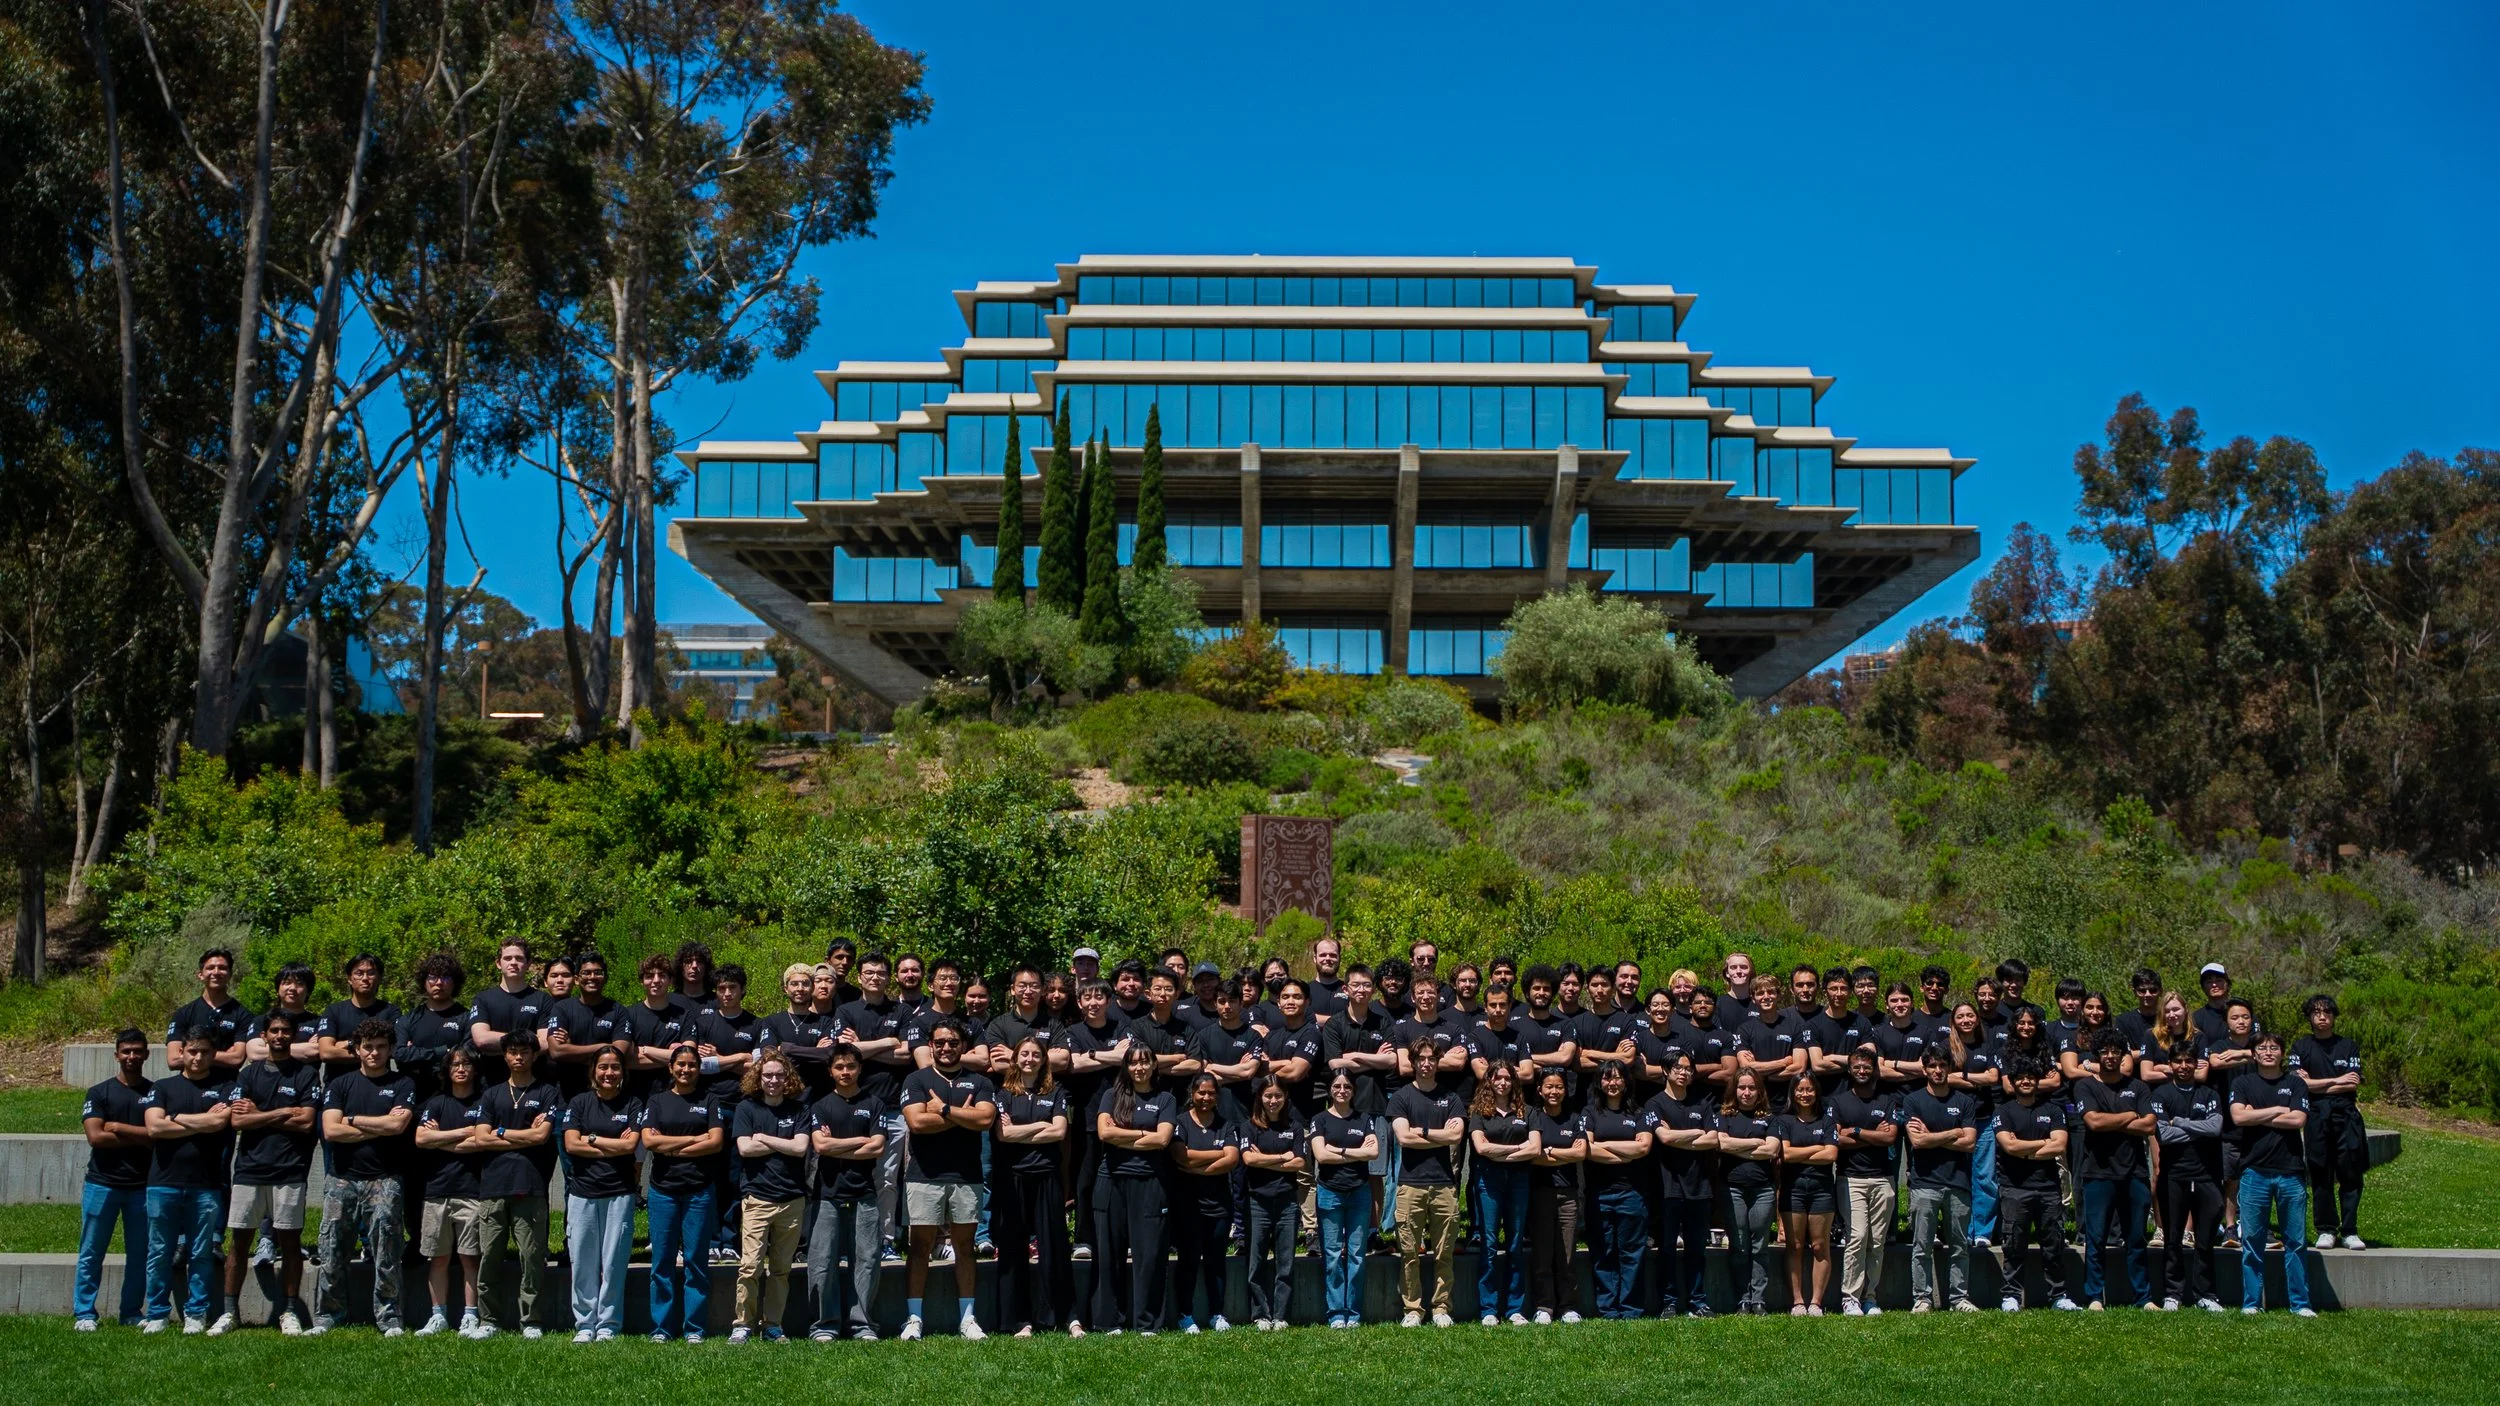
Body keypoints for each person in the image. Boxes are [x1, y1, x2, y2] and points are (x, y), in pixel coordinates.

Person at [214, 1009, 317, 1335]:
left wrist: (261, 1113)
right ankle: (230, 1312)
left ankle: (288, 1312)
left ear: (293, 1035)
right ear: (264, 1035)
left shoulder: (306, 1075)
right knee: (239, 1242)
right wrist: (284, 1111)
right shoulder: (249, 1074)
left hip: (289, 1169)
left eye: (286, 1031)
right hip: (250, 1169)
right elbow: (238, 1121)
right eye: (274, 1031)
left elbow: (306, 1122)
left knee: (289, 1242)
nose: (279, 1036)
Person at [312, 1019, 415, 1336]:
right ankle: (328, 1314)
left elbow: (397, 1128)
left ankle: (389, 1317)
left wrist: (353, 1120)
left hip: (385, 1178)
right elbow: (331, 1130)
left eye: (381, 1046)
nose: (374, 1052)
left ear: (392, 1049)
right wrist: (378, 1125)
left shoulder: (403, 1084)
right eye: (368, 1046)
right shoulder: (340, 1085)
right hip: (341, 1178)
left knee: (387, 1250)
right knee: (331, 1249)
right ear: (357, 1049)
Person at [898, 1018, 995, 1340]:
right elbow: (916, 1123)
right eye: (939, 1042)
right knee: (919, 1247)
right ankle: (914, 1318)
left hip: (966, 1176)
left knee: (965, 1246)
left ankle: (967, 1319)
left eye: (953, 1042)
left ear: (963, 1046)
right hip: (924, 1175)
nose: (946, 1048)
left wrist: (943, 1110)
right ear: (931, 1045)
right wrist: (959, 1116)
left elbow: (984, 1119)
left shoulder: (979, 1081)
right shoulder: (916, 1079)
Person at [140, 1027, 234, 1335]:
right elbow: (154, 1128)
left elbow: (220, 1122)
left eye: (204, 1052)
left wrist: (176, 1119)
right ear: (181, 1054)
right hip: (163, 1183)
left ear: (213, 1054)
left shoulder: (225, 1087)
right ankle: (156, 1313)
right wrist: (199, 1122)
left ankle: (196, 1313)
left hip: (205, 1185)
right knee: (159, 1251)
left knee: (201, 1253)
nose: (197, 1057)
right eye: (192, 1051)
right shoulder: (162, 1087)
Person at [988, 1035, 1077, 1337]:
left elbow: (1060, 1132)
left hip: (1047, 1176)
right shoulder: (1001, 1094)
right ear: (1015, 1059)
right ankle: (1019, 1320)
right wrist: (1042, 1126)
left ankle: (1063, 1316)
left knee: (1055, 1247)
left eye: (1035, 1055)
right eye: (1023, 1054)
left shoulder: (1057, 1091)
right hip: (1013, 1178)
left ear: (1043, 1060)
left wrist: (1023, 1131)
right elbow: (1003, 1135)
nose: (1029, 1059)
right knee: (1014, 1250)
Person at [473, 1035, 560, 1338]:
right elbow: (480, 1138)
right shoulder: (492, 1094)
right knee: (489, 1257)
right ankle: (488, 1320)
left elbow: (541, 1137)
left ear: (535, 1055)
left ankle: (531, 1321)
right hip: (493, 1186)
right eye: (512, 1052)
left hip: (531, 1185)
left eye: (524, 1052)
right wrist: (515, 1133)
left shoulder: (548, 1093)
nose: (518, 1057)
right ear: (505, 1057)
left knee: (531, 1257)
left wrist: (499, 1134)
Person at [641, 1044, 726, 1342]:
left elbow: (715, 1142)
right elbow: (649, 1141)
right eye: (681, 1064)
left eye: (692, 1065)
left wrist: (672, 1146)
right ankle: (662, 1328)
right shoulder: (657, 1101)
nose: (686, 1070)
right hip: (663, 1191)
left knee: (696, 1262)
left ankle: (695, 1328)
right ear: (671, 1068)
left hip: (699, 1192)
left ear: (699, 1069)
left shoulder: (710, 1100)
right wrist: (693, 1139)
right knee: (661, 1262)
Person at [2229, 1031, 2316, 1316]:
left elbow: (2298, 1120)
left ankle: (2300, 1304)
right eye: (2262, 1048)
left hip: (2290, 1172)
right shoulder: (2242, 1082)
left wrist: (2261, 1113)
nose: (2268, 1052)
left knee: (2296, 1241)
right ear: (2253, 1054)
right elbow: (2239, 1117)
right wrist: (2280, 1109)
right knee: (2252, 1241)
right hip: (2254, 1171)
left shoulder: (2295, 1084)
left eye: (2274, 1047)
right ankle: (2252, 1303)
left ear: (2282, 1053)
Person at [1092, 1044, 1177, 1334]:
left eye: (1145, 1062)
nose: (1139, 1068)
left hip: (1151, 1181)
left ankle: (1147, 1323)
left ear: (1154, 1066)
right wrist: (1144, 1134)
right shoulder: (1111, 1096)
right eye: (1133, 1063)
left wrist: (1123, 1137)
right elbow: (1105, 1133)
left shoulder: (1165, 1099)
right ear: (1126, 1067)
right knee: (1109, 1253)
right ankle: (1109, 1321)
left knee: (1150, 1254)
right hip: (1111, 1180)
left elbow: (1163, 1139)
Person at [559, 1047, 641, 1341]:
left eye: (615, 1067)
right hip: (583, 1193)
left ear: (623, 1072)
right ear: (593, 1071)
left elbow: (630, 1146)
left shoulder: (632, 1103)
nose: (609, 1073)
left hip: (619, 1192)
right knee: (582, 1260)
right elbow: (571, 1144)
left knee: (613, 1262)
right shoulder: (579, 1103)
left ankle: (608, 1324)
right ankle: (584, 1324)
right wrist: (609, 1144)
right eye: (603, 1067)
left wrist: (590, 1138)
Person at [730, 1049, 812, 1342]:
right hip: (757, 1198)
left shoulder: (800, 1110)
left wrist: (763, 1137)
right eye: (767, 1075)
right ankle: (742, 1324)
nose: (773, 1080)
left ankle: (772, 1325)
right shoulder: (747, 1109)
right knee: (750, 1265)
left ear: (787, 1077)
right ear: (758, 1077)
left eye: (779, 1075)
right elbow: (744, 1149)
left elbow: (801, 1149)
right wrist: (784, 1143)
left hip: (791, 1199)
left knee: (780, 1269)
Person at [75, 1029, 154, 1332]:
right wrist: (141, 1136)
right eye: (126, 1051)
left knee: (140, 1254)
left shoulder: (155, 1092)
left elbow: (157, 1137)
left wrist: (120, 1129)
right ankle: (84, 1313)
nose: (132, 1056)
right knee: (92, 1251)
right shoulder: (99, 1092)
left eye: (137, 1051)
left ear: (147, 1054)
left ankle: (131, 1312)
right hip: (101, 1184)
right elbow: (95, 1137)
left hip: (142, 1186)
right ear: (116, 1055)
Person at [807, 1047, 888, 1343]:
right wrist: (858, 1141)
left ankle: (862, 1324)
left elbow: (878, 1148)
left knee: (866, 1260)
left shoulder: (874, 1104)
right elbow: (820, 1147)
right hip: (826, 1193)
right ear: (830, 1071)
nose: (845, 1072)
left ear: (859, 1069)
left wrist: (837, 1145)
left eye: (850, 1066)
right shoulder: (820, 1106)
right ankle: (824, 1325)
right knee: (822, 1261)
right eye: (839, 1066)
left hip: (864, 1193)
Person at [412, 1045, 491, 1339]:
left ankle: (470, 1315)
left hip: (472, 1190)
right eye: (455, 1064)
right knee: (439, 1256)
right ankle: (438, 1315)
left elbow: (482, 1141)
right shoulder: (436, 1103)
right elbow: (421, 1139)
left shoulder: (485, 1102)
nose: (460, 1069)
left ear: (474, 1069)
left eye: (466, 1064)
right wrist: (462, 1133)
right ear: (446, 1070)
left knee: (470, 1256)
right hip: (437, 1190)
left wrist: (440, 1138)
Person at [2074, 1029, 2155, 1309]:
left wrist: (2114, 1121)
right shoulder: (2085, 1087)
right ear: (2097, 1055)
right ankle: (2095, 1296)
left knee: (2136, 1238)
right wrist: (2130, 1115)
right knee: (2095, 1239)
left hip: (2135, 1174)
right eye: (2104, 1051)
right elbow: (2093, 1122)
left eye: (2115, 1051)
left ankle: (2142, 1298)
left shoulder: (2139, 1087)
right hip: (2098, 1172)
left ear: (2123, 1055)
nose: (2110, 1056)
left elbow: (2150, 1125)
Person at [1388, 1035, 1466, 1327]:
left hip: (1445, 1185)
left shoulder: (1452, 1098)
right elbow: (1404, 1138)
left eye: (1431, 1058)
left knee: (1444, 1251)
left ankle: (1442, 1307)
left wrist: (1420, 1132)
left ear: (1437, 1061)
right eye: (1420, 1059)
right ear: (1413, 1062)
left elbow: (1456, 1136)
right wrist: (1436, 1133)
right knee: (1409, 1251)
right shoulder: (1401, 1097)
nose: (1426, 1064)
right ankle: (1413, 1309)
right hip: (1410, 1185)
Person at [1994, 1055, 2078, 1311]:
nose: (2026, 1081)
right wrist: (2043, 1144)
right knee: (2013, 1245)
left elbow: (2060, 1145)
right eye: (2021, 1078)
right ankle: (2010, 1295)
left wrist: (2025, 1150)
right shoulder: (2004, 1111)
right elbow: (2008, 1146)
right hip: (2014, 1187)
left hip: (2048, 1189)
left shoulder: (2052, 1110)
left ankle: (2058, 1296)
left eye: (2030, 1077)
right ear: (2014, 1082)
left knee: (2053, 1245)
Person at [1319, 966, 1397, 1239]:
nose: (1361, 989)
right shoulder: (1335, 1025)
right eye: (1356, 985)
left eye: (1366, 985)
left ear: (1373, 989)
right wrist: (1371, 1058)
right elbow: (1334, 1064)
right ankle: (1342, 1231)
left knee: (1375, 1173)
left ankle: (1373, 1232)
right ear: (1346, 989)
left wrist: (1353, 1056)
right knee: (1342, 1167)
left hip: (1375, 1106)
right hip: (1342, 1111)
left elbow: (1391, 1061)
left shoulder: (1382, 1022)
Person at [1900, 1045, 1980, 1312]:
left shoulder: (1964, 1101)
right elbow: (1918, 1142)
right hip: (1924, 1184)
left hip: (1958, 1183)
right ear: (1924, 1069)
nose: (1937, 1070)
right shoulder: (1913, 1101)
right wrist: (1952, 1133)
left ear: (1949, 1068)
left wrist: (1933, 1135)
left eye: (1942, 1065)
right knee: (1921, 1245)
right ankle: (1922, 1298)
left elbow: (1970, 1144)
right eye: (1932, 1066)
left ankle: (1959, 1298)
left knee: (1960, 1246)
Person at [2150, 1049, 2227, 1311]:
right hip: (2174, 1175)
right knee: (2172, 1238)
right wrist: (2198, 1130)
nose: (2183, 1066)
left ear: (2196, 1064)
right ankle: (2172, 1292)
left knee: (2204, 1239)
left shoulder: (2209, 1094)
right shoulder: (2160, 1095)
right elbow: (2163, 1135)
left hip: (2207, 1175)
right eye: (2178, 1061)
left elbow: (2215, 1128)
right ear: (2170, 1065)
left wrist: (2181, 1123)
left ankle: (2205, 1294)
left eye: (2189, 1061)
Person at [1467, 1061, 1540, 1326]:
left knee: (1515, 1243)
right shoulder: (1478, 1113)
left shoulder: (1528, 1111)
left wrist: (1502, 1152)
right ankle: (1488, 1308)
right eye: (1497, 1078)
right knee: (1488, 1244)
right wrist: (1517, 1149)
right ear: (1489, 1081)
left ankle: (1514, 1308)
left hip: (1519, 1181)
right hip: (1489, 1181)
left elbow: (1535, 1149)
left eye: (1507, 1078)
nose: (1502, 1083)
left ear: (1514, 1082)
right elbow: (1481, 1148)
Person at [2292, 994, 2367, 1250]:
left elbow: (2353, 1082)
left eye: (2326, 1012)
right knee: (2320, 1173)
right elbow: (2300, 1086)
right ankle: (2326, 1229)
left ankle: (2349, 1230)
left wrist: (2316, 1083)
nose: (2321, 1017)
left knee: (2351, 1174)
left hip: (2346, 1117)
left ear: (2334, 1016)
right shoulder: (2301, 1047)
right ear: (2309, 1017)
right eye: (2316, 1012)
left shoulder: (2348, 1046)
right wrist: (2336, 1081)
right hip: (2315, 1117)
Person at [1647, 1051, 1719, 1318]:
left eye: (1688, 1069)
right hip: (1667, 1186)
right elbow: (1663, 1138)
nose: (1684, 1073)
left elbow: (1714, 1140)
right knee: (1666, 1248)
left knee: (1696, 1249)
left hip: (1699, 1186)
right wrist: (1696, 1132)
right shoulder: (1655, 1104)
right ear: (1666, 1071)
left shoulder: (1703, 1103)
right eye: (1678, 1068)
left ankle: (1698, 1301)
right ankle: (1668, 1301)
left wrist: (1680, 1137)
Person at [1166, 1072, 1239, 1333]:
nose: (1206, 1097)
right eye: (1201, 1092)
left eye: (1211, 1093)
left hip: (1219, 1206)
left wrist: (1200, 1168)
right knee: (1188, 1259)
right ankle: (1185, 1314)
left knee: (1216, 1260)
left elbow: (1232, 1158)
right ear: (1192, 1094)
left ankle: (1217, 1313)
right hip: (1189, 1206)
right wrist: (1216, 1156)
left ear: (1217, 1096)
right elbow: (1179, 1155)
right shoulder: (1180, 1123)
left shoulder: (1226, 1125)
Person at [1581, 1060, 1653, 1320]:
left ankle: (1631, 1309)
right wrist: (1625, 1152)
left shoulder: (1639, 1113)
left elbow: (1644, 1147)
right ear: (1599, 1083)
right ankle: (1608, 1309)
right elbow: (1586, 1149)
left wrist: (1605, 1147)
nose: (1612, 1083)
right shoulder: (1589, 1113)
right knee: (1603, 1252)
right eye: (1607, 1078)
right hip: (1599, 1193)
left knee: (1632, 1253)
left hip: (1632, 1193)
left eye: (1618, 1078)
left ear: (1626, 1082)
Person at [1831, 1047, 1898, 1316]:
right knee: (1857, 1236)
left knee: (1877, 1241)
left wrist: (1857, 1131)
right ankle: (1850, 1297)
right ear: (1850, 1069)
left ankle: (1870, 1296)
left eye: (1866, 1067)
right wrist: (1872, 1134)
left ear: (1874, 1070)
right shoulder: (1838, 1102)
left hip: (1883, 1179)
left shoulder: (1887, 1101)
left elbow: (1890, 1138)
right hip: (1851, 1179)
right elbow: (1836, 1140)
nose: (1861, 1071)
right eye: (1857, 1066)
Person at [1309, 1069, 1378, 1328]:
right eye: (1337, 1086)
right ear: (1330, 1089)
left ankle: (1354, 1313)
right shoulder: (1320, 1119)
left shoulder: (1364, 1119)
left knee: (1358, 1255)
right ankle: (1336, 1313)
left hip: (1359, 1192)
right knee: (1333, 1254)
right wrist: (1355, 1151)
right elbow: (1321, 1156)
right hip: (1330, 1192)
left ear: (1353, 1091)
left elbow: (1374, 1152)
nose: (1341, 1091)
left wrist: (1337, 1149)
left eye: (1347, 1086)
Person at [1240, 1074, 1306, 1330]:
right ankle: (1260, 1314)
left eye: (1278, 1095)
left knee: (1286, 1261)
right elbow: (1248, 1160)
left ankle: (1281, 1315)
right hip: (1258, 1200)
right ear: (1260, 1097)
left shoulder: (1295, 1127)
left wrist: (1266, 1158)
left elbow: (1300, 1162)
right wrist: (1283, 1157)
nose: (1273, 1100)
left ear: (1285, 1097)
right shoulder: (1250, 1127)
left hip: (1287, 1202)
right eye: (1268, 1095)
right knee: (1256, 1261)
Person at [1715, 1068, 1782, 1314]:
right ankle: (1743, 1298)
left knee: (1759, 1245)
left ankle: (1759, 1299)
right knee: (1740, 1244)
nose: (1746, 1092)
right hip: (1732, 1188)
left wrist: (1737, 1147)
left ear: (1759, 1091)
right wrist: (1755, 1142)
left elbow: (1771, 1151)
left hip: (1762, 1189)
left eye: (1752, 1088)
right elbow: (1721, 1143)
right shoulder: (1724, 1116)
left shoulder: (1770, 1119)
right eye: (1742, 1087)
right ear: (1735, 1090)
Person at [1523, 1068, 1586, 1324]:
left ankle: (1568, 1306)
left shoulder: (1575, 1118)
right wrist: (1563, 1152)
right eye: (1548, 1086)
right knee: (1543, 1253)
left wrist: (1549, 1153)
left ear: (1565, 1090)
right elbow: (1532, 1156)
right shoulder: (1533, 1117)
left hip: (1568, 1194)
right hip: (1540, 1193)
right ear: (1539, 1090)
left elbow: (1581, 1153)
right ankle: (1544, 1307)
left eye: (1559, 1087)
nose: (1554, 1091)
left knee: (1567, 1253)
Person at [1776, 1072, 1839, 1315]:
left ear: (1817, 1092)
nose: (1805, 1094)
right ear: (1793, 1093)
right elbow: (1786, 1155)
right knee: (1795, 1245)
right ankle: (1798, 1301)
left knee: (1820, 1245)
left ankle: (1816, 1302)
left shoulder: (1827, 1120)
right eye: (1800, 1090)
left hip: (1822, 1190)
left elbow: (1831, 1155)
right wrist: (1816, 1148)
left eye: (1809, 1089)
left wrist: (1800, 1151)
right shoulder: (1784, 1121)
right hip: (1793, 1189)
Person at [542, 953, 630, 1099]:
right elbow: (557, 1052)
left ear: (606, 978)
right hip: (567, 1096)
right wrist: (603, 1047)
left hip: (608, 1097)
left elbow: (617, 1055)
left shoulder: (619, 1011)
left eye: (598, 972)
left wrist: (571, 1051)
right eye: (586, 973)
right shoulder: (562, 1009)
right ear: (577, 979)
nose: (592, 977)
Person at [467, 939, 549, 1088]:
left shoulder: (543, 1000)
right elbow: (481, 1039)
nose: (513, 962)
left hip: (534, 1087)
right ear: (498, 963)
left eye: (519, 958)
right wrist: (528, 1043)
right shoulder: (483, 999)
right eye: (507, 958)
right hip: (491, 1085)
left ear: (528, 963)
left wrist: (496, 1048)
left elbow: (544, 1043)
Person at [393, 953, 472, 1104]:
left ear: (455, 982)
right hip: (415, 1097)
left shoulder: (466, 1018)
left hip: (454, 1097)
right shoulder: (409, 1019)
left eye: (446, 977)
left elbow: (465, 1056)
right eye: (433, 977)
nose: (439, 982)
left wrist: (416, 1055)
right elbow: (399, 1054)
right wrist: (442, 1052)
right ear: (424, 982)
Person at [165, 949, 255, 1075]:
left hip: (226, 1086)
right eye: (210, 968)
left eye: (222, 968)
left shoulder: (243, 1015)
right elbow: (173, 1060)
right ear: (200, 974)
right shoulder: (183, 1014)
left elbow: (237, 1059)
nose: (216, 972)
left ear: (230, 974)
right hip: (189, 1086)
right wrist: (222, 1055)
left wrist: (192, 1054)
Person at [316, 954, 399, 1083]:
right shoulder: (334, 1011)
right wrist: (377, 1053)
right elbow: (326, 1053)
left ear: (379, 978)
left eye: (371, 973)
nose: (365, 978)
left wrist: (347, 1044)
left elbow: (396, 1050)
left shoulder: (391, 1012)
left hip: (380, 1086)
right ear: (350, 978)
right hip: (338, 1086)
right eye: (359, 973)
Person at [623, 953, 692, 1099]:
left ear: (670, 981)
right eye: (649, 976)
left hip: (673, 1097)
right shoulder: (628, 1014)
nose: (656, 980)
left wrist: (645, 1050)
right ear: (642, 981)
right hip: (634, 1098)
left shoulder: (684, 1016)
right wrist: (672, 1057)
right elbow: (627, 1060)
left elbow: (688, 1058)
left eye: (662, 975)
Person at [2138, 990, 2204, 1087]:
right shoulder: (2151, 1035)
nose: (2172, 1015)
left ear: (2185, 1010)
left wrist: (2161, 1068)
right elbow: (2146, 1075)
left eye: (2176, 1009)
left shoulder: (2198, 1036)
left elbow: (2201, 1075)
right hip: (2160, 1093)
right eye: (2167, 1011)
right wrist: (2183, 1071)